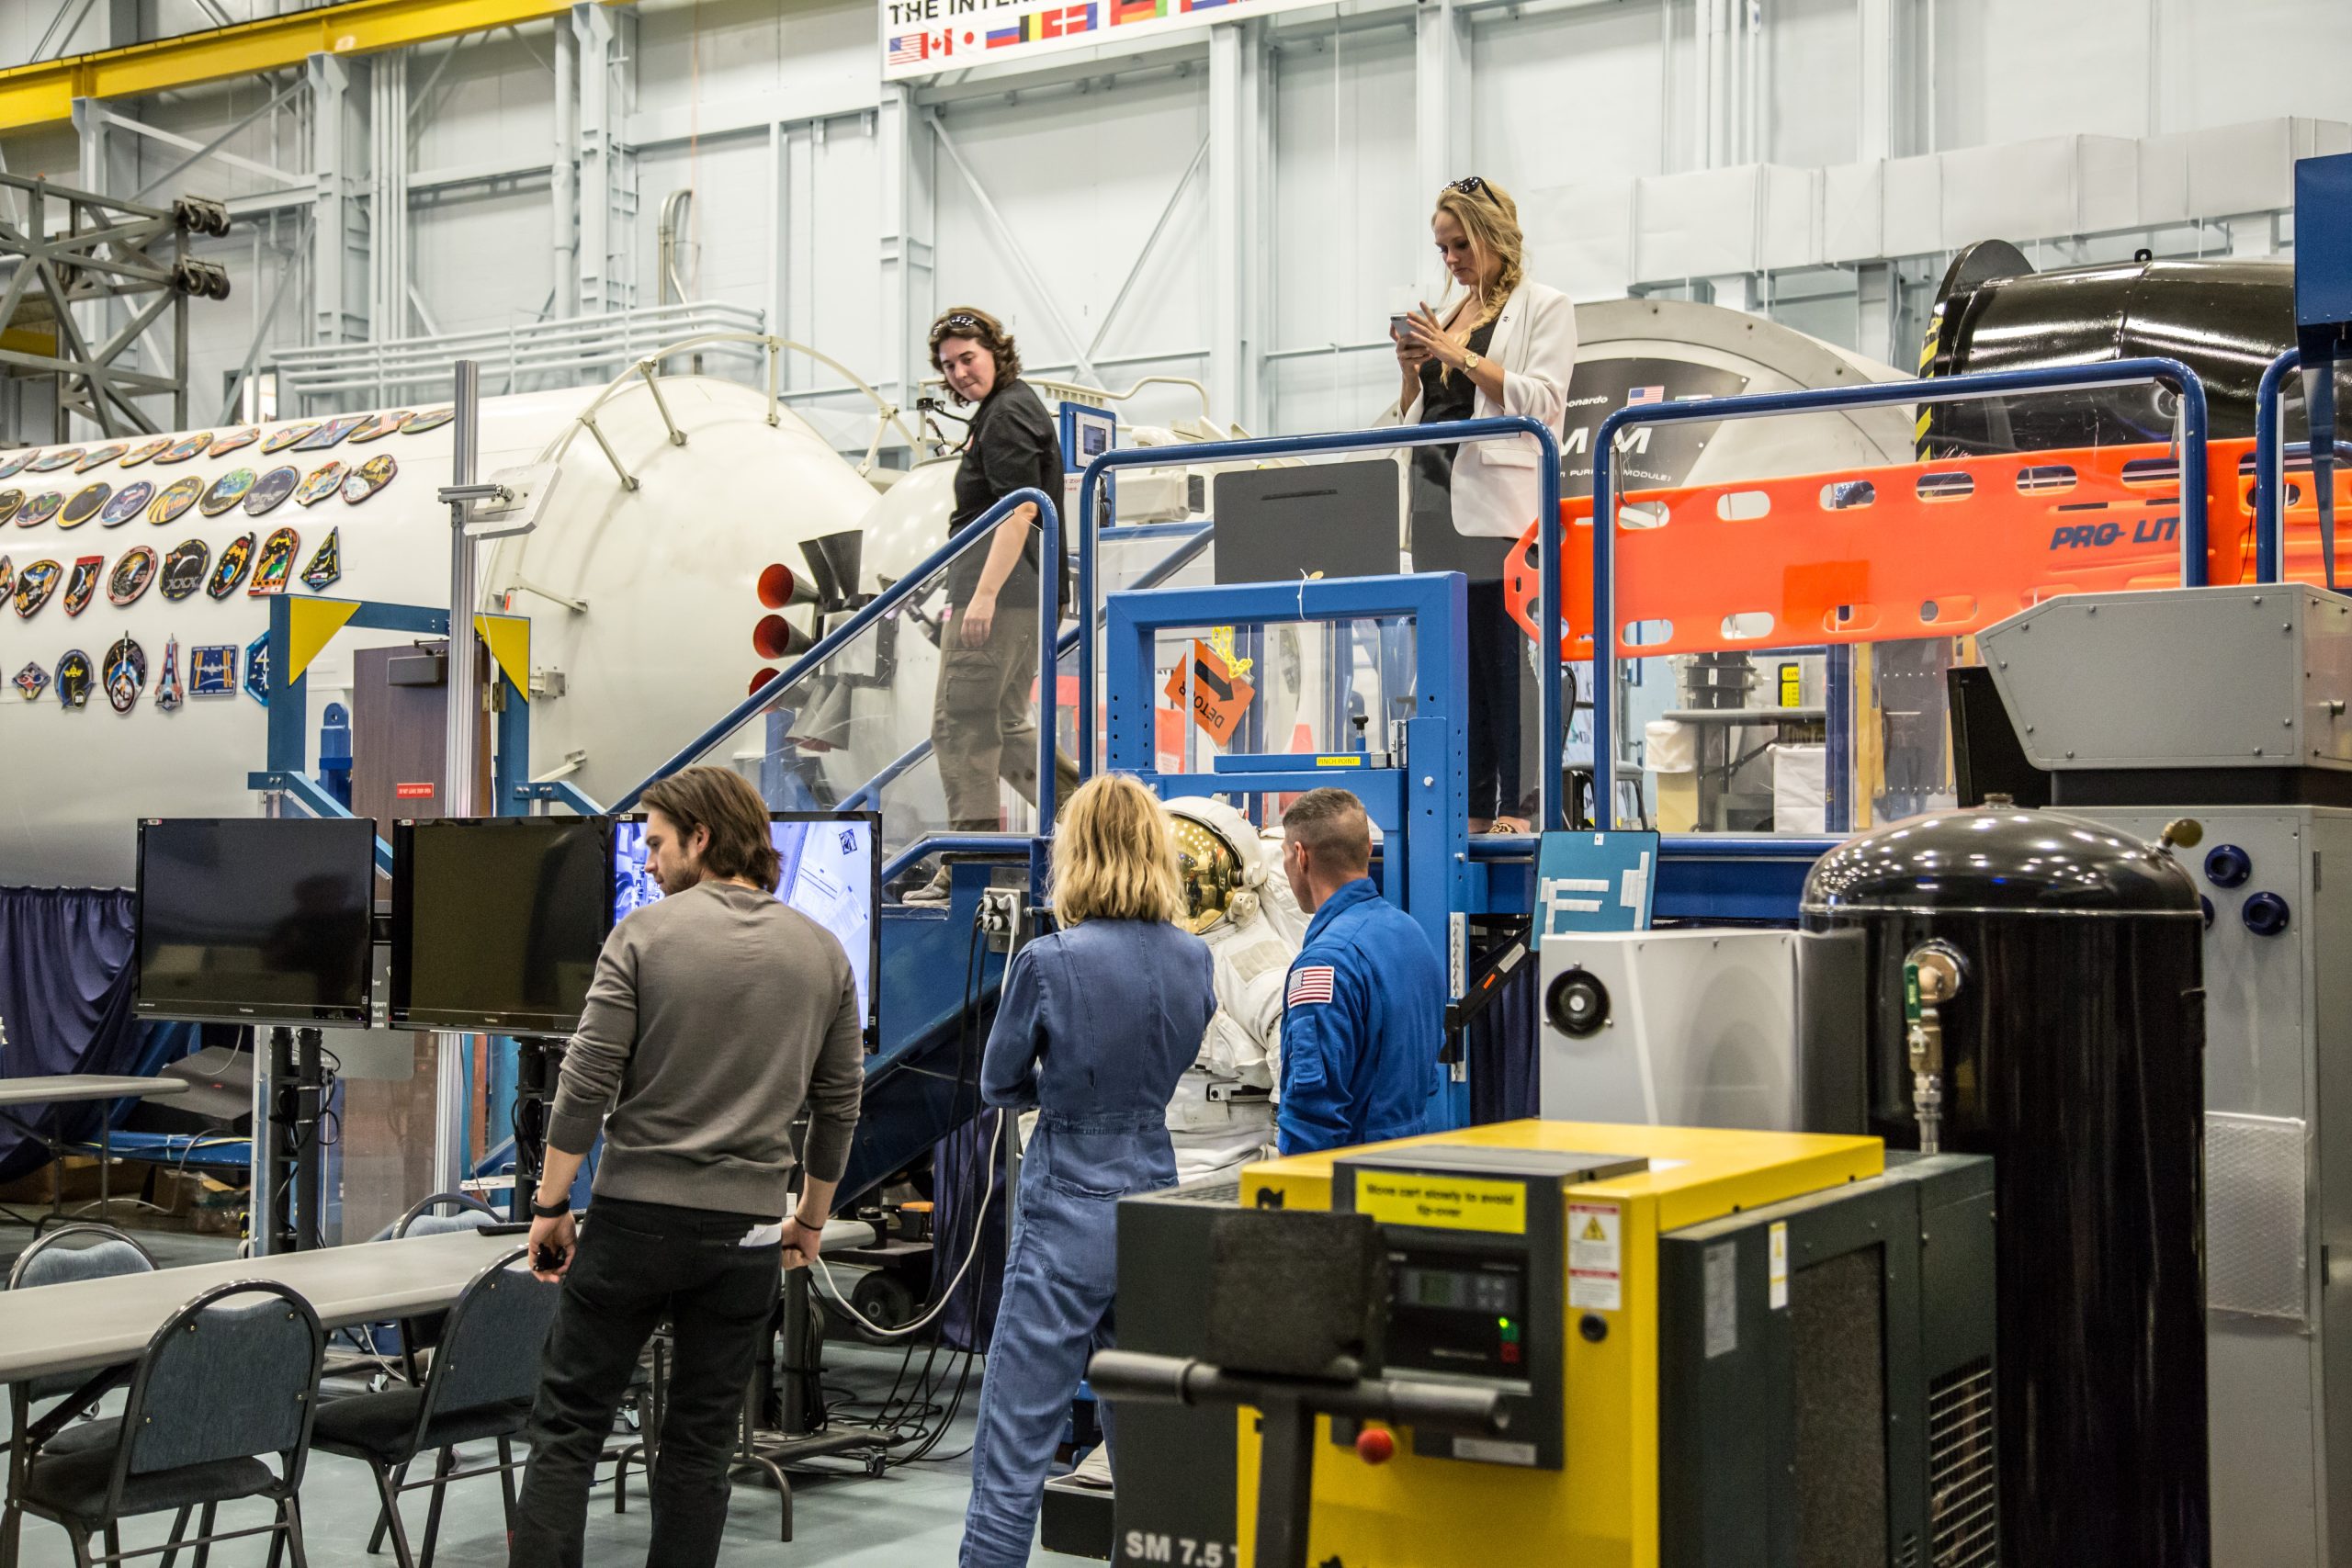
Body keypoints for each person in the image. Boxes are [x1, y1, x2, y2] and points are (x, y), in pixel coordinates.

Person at [513, 765, 865, 1568]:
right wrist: (808, 1219)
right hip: (743, 1235)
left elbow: (587, 1079)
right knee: (702, 1447)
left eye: (658, 840)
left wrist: (551, 1204)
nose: (648, 856)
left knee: (568, 1427)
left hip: (636, 1218)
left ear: (702, 838)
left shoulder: (642, 936)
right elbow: (839, 1106)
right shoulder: (823, 953)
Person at [959, 774, 1216, 1568]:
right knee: (1149, 1453)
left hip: (1068, 1197)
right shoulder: (1195, 957)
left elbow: (999, 1081)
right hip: (1155, 1199)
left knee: (1013, 1454)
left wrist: (1064, 1090)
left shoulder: (1046, 961)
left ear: (1076, 852)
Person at [1392, 176, 1577, 833]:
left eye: (1460, 245)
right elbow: (1422, 413)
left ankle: (1519, 804)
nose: (1451, 261)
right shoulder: (1450, 317)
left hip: (1497, 506)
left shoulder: (1544, 307)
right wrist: (1415, 366)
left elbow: (1544, 400)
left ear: (1494, 236)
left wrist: (1457, 353)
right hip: (1436, 501)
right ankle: (1471, 803)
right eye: (1442, 250)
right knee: (1454, 665)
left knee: (1504, 658)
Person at [910, 306, 1081, 902]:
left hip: (1003, 596)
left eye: (968, 358)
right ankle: (1098, 832)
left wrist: (981, 595)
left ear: (995, 352)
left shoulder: (1006, 415)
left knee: (960, 728)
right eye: (948, 365)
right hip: (1023, 595)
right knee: (1005, 727)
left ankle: (971, 868)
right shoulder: (1008, 409)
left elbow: (1023, 507)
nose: (958, 373)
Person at [1274, 787, 1448, 1153]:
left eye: (1285, 857)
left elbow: (1312, 1113)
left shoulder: (1324, 962)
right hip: (1410, 1165)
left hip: (1349, 1181)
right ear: (1368, 848)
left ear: (1301, 857)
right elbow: (1429, 1072)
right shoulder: (1411, 935)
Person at [1162, 795, 1306, 1183]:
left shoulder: (1251, 957)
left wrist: (1282, 1164)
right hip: (1157, 1158)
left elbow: (1293, 1061)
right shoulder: (1154, 948)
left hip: (1228, 1166)